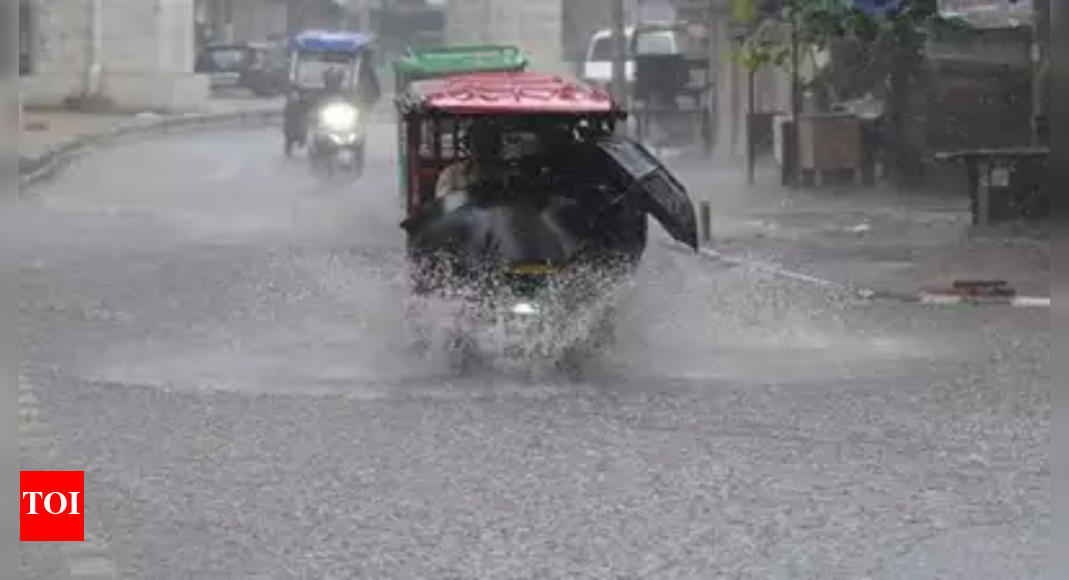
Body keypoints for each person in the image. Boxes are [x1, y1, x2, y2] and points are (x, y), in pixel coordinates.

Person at [435, 122, 502, 198]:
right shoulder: (451, 174)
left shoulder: (505, 174)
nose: (481, 149)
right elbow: (443, 203)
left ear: (496, 146)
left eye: (487, 142)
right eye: (477, 142)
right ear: (468, 145)